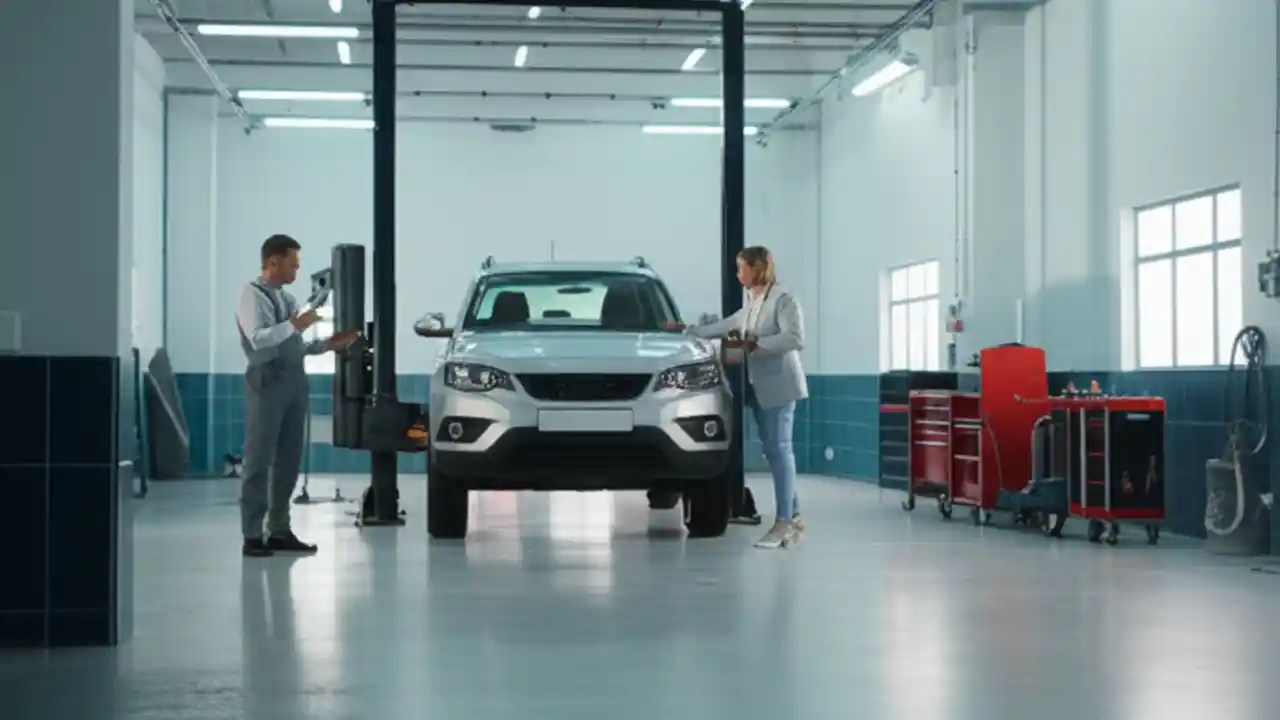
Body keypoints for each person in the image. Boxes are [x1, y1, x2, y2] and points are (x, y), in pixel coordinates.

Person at [678, 246, 808, 549]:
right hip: (758, 388)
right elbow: (726, 327)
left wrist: (754, 344)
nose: (738, 274)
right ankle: (795, 515)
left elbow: (795, 338)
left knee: (780, 451)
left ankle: (784, 523)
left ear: (757, 267)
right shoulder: (752, 301)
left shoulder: (783, 299)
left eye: (741, 267)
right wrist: (690, 331)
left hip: (780, 386)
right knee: (774, 451)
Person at [235, 234, 357, 557]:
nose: (296, 273)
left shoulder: (287, 300)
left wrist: (329, 345)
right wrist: (295, 324)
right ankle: (251, 534)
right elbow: (260, 339)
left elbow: (295, 345)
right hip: (267, 383)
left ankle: (278, 529)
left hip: (293, 384)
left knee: (288, 462)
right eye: (293, 265)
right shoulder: (252, 295)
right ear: (273, 261)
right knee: (258, 460)